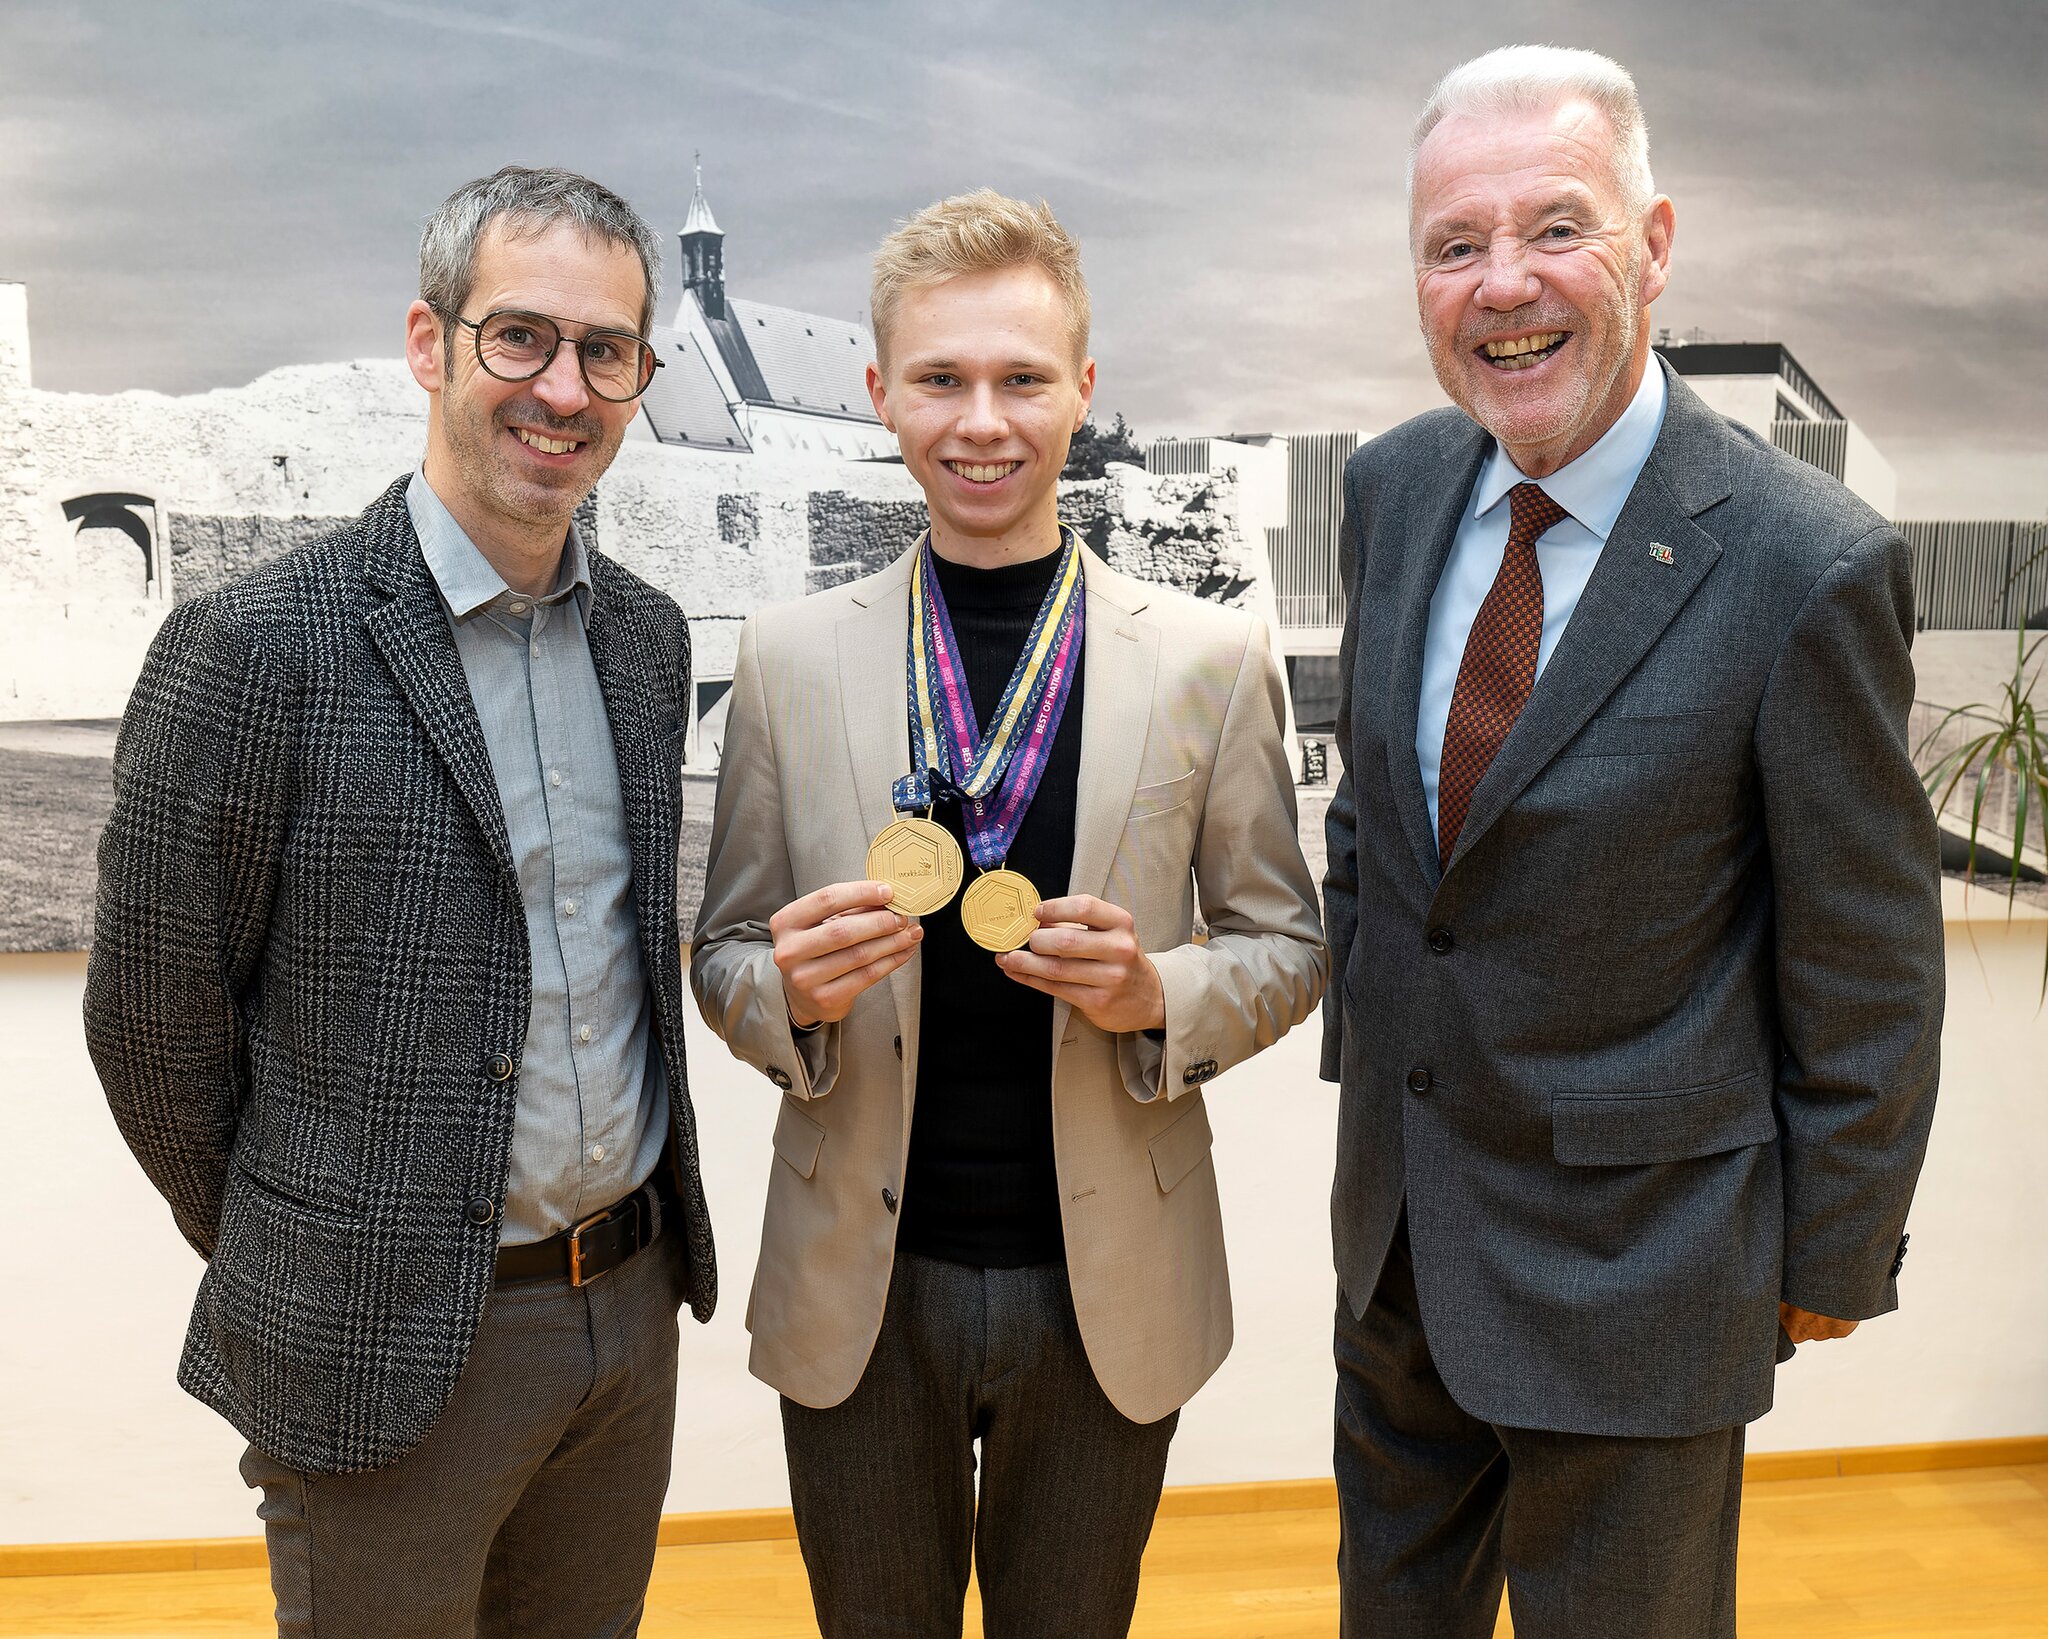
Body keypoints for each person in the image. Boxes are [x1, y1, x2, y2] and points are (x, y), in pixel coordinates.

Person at [1319, 46, 1945, 1639]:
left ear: (1654, 246)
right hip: (1399, 1246)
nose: (1502, 285)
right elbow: (1380, 831)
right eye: (1456, 245)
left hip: (1646, 1273)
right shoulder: (1392, 488)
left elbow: (1866, 951)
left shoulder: (1807, 565)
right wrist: (1367, 1056)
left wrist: (1834, 1248)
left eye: (1556, 228)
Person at [84, 166, 714, 1637]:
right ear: (430, 344)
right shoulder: (254, 648)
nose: (564, 387)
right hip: (375, 1344)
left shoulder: (644, 640)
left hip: (625, 1319)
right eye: (522, 337)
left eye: (606, 351)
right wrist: (318, 1245)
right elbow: (153, 1030)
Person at [691, 189, 1326, 1636]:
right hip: (864, 1282)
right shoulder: (786, 659)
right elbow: (722, 954)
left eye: (1023, 379)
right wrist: (782, 992)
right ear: (880, 395)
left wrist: (1162, 993)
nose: (983, 420)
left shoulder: (1213, 663)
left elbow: (1287, 949)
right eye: (942, 379)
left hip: (1106, 1288)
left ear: (1083, 391)